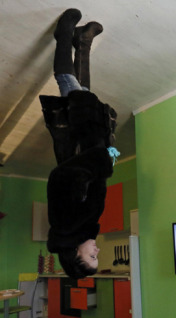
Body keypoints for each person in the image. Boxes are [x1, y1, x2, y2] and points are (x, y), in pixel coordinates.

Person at [41, 9, 118, 279]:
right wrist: (111, 154)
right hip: (91, 141)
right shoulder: (85, 225)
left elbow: (61, 177)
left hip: (76, 141)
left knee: (69, 84)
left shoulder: (66, 225)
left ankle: (63, 34)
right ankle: (82, 41)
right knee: (85, 94)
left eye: (92, 256)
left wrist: (102, 163)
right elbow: (96, 183)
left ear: (75, 253)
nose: (97, 250)